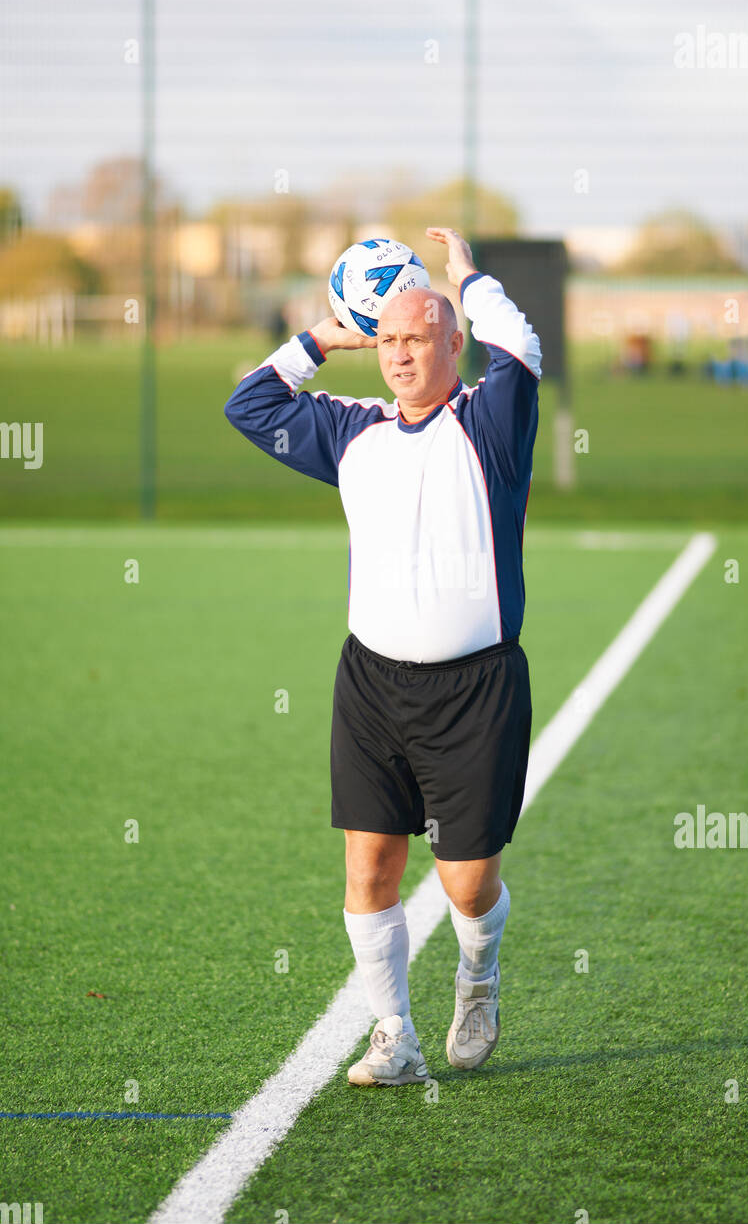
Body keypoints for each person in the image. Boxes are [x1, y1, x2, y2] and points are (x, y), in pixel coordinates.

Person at [224, 227, 542, 1085]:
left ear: (452, 342)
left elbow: (521, 344)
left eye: (419, 338)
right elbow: (248, 406)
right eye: (389, 340)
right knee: (370, 862)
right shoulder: (348, 432)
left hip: (476, 690)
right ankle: (392, 1034)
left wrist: (466, 279)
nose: (402, 355)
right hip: (370, 684)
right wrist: (326, 336)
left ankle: (478, 975)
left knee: (467, 886)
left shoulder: (493, 425)